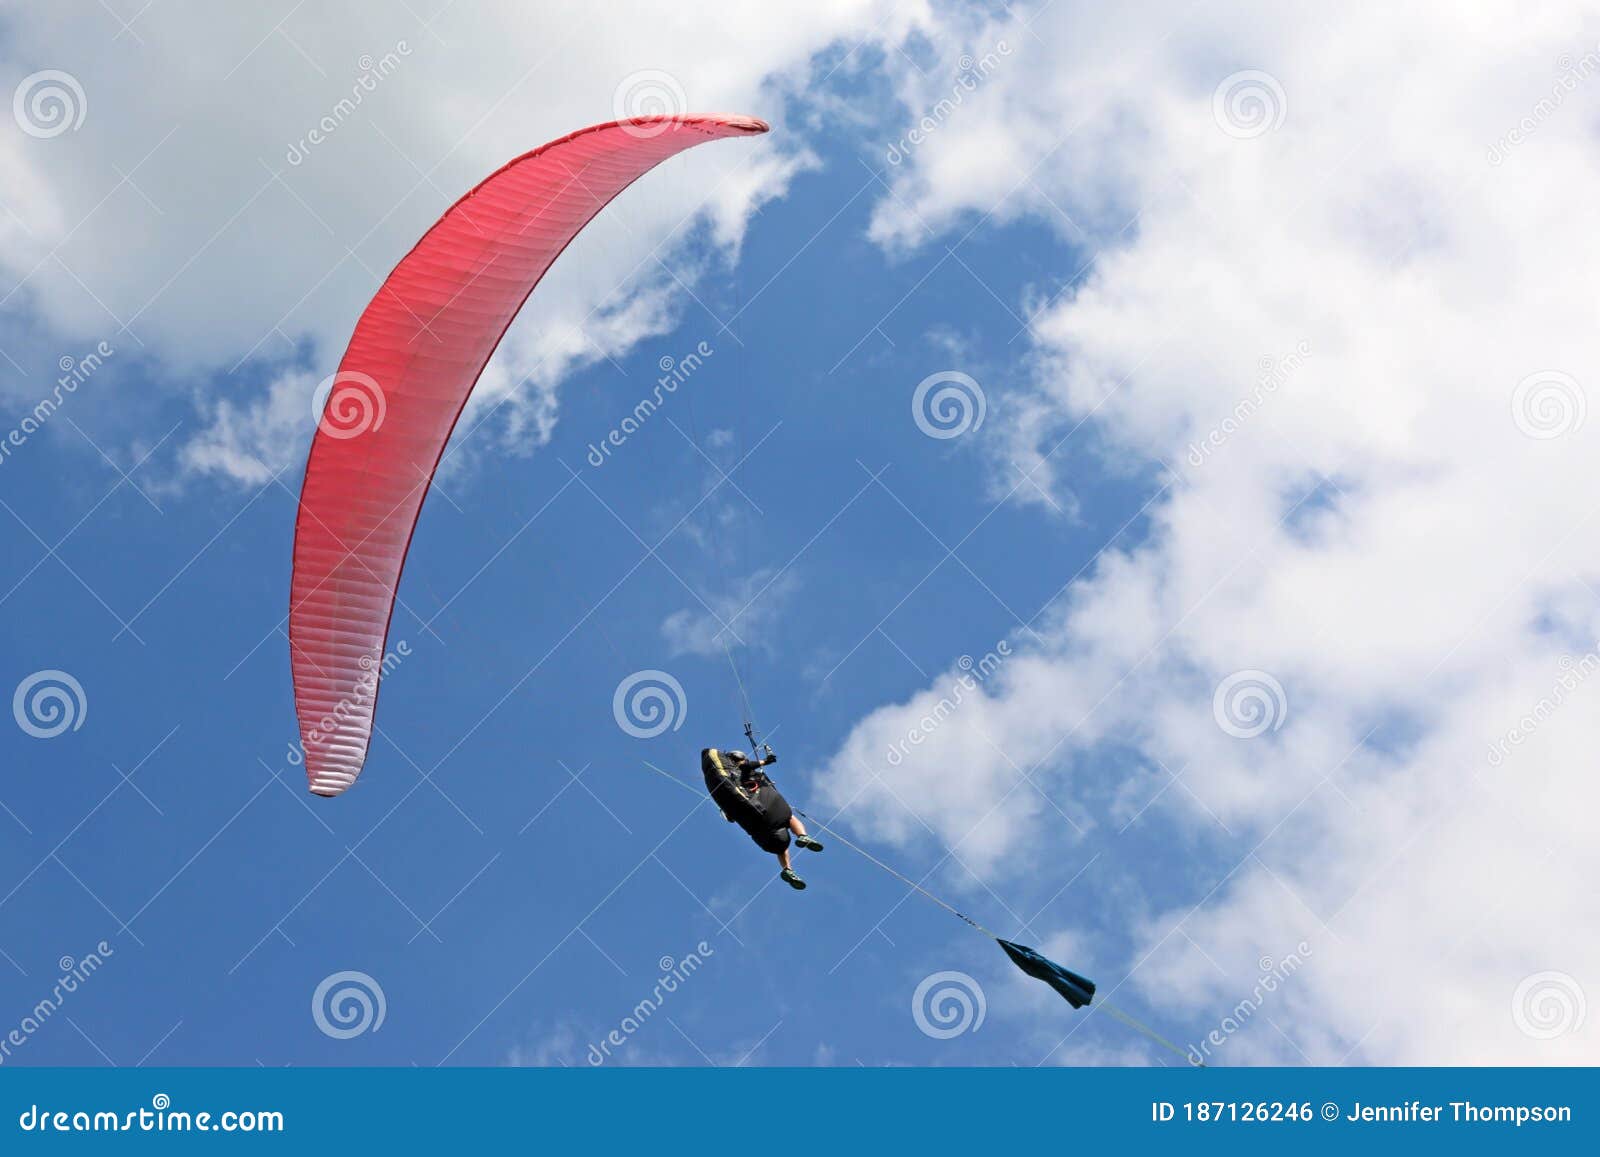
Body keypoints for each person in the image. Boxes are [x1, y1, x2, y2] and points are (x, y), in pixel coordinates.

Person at [699, 746, 823, 889]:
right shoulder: (741, 771)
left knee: (780, 846)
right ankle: (803, 836)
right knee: (789, 817)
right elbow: (746, 766)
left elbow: (730, 817)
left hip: (759, 829)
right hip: (767, 810)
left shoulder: (732, 786)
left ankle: (788, 870)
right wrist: (765, 761)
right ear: (738, 760)